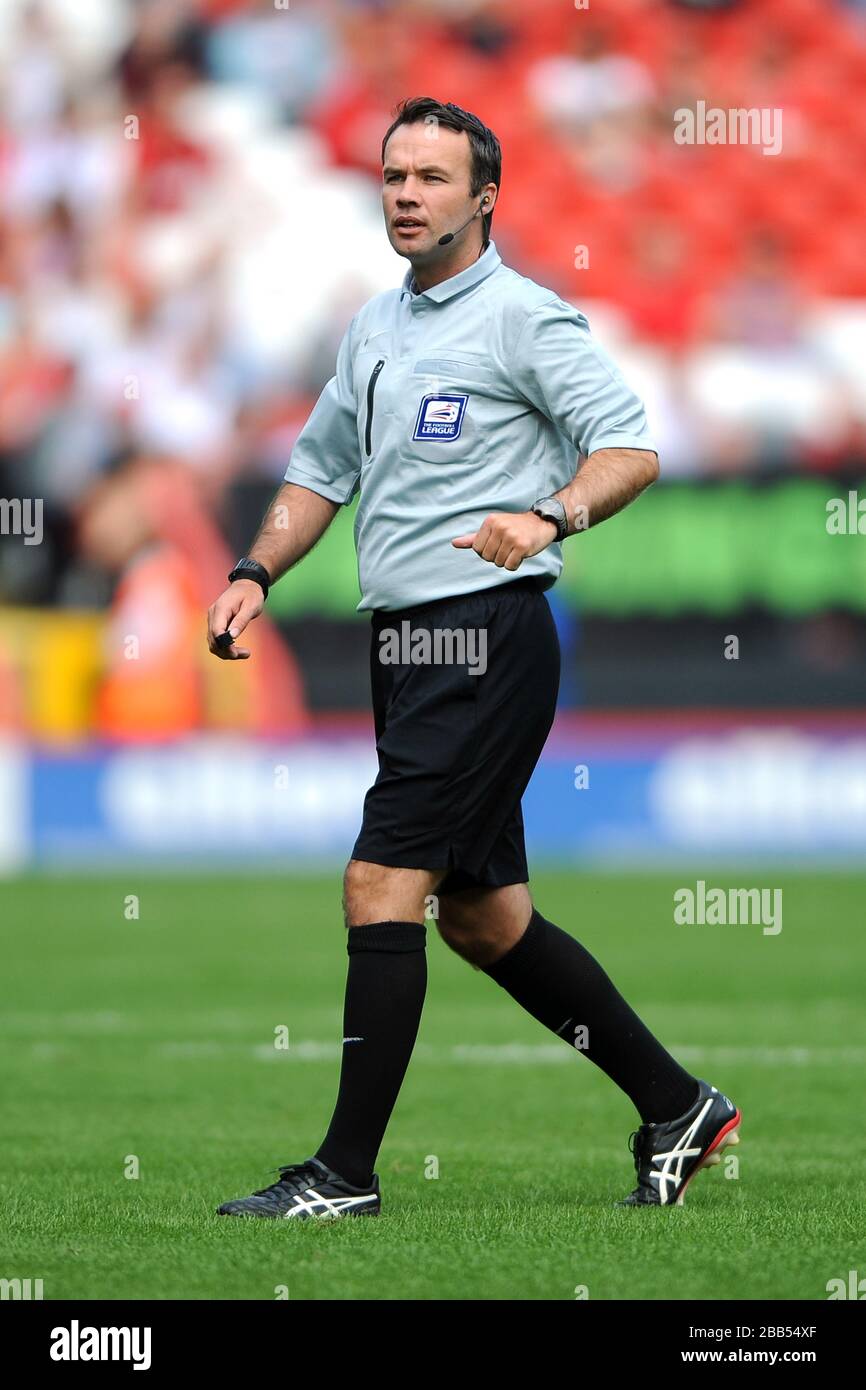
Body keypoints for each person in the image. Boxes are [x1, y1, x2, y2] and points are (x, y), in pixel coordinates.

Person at [207, 97, 741, 1219]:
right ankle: (675, 1104)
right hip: (404, 644)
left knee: (380, 885)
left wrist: (548, 516)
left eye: (431, 178)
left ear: (484, 197)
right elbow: (316, 475)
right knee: (483, 918)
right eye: (393, 173)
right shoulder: (372, 326)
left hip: (482, 635)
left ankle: (343, 1177)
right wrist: (255, 570)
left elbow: (630, 446)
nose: (404, 193)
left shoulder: (524, 318)